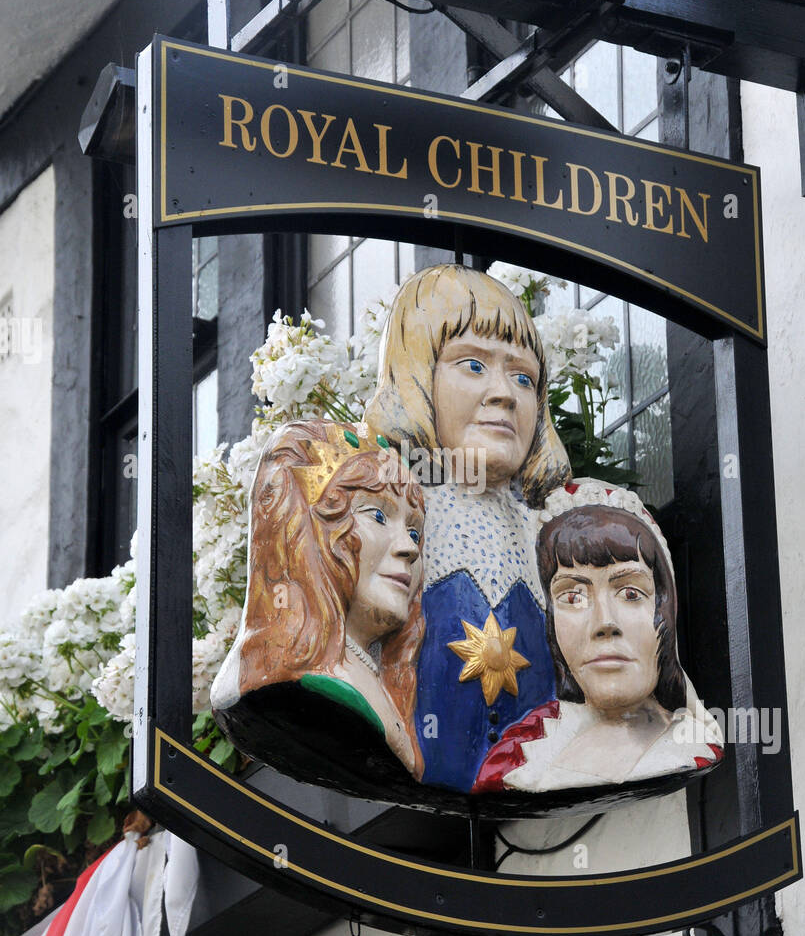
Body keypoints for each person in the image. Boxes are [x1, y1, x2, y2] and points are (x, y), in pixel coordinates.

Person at [364, 263, 570, 792]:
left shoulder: (549, 533)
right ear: (417, 376)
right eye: (473, 365)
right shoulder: (390, 513)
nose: (504, 393)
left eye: (523, 377)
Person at [473, 483, 724, 793]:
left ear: (664, 610)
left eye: (630, 593)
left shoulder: (693, 745)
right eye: (573, 597)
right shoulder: (519, 763)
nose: (605, 622)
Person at [211, 419, 426, 779]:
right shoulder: (287, 685)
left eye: (415, 531)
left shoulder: (384, 688)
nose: (409, 548)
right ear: (307, 529)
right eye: (377, 515)